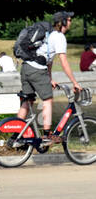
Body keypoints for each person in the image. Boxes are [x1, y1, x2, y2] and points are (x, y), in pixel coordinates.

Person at [18, 11, 83, 142]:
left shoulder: (48, 34)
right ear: (63, 22)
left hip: (26, 68)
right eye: (69, 20)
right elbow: (63, 61)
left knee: (28, 101)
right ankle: (48, 134)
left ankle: (16, 134)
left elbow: (49, 59)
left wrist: (50, 78)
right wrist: (74, 82)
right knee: (47, 99)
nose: (71, 22)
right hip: (37, 70)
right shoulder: (59, 37)